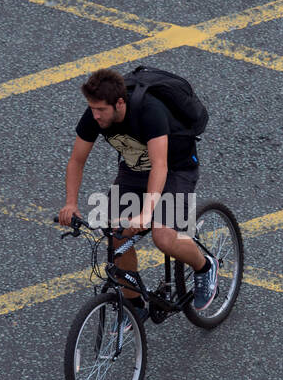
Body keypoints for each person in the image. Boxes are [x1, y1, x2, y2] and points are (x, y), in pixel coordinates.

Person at [57, 67, 218, 317]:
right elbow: (77, 161)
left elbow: (160, 166)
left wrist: (145, 213)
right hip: (135, 170)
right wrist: (70, 204)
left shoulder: (149, 111)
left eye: (101, 110)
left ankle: (205, 267)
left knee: (163, 237)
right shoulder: (94, 116)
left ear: (120, 103)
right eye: (92, 108)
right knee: (115, 235)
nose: (95, 115)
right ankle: (134, 306)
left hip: (175, 168)